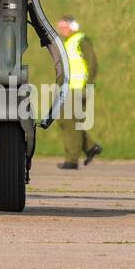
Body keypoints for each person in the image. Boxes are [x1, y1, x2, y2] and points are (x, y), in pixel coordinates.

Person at [57, 15, 103, 169]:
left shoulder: (80, 41)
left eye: (64, 26)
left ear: (72, 26)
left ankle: (72, 160)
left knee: (70, 122)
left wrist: (87, 85)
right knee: (64, 120)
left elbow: (92, 63)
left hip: (79, 88)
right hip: (69, 88)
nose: (61, 29)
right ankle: (90, 147)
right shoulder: (69, 42)